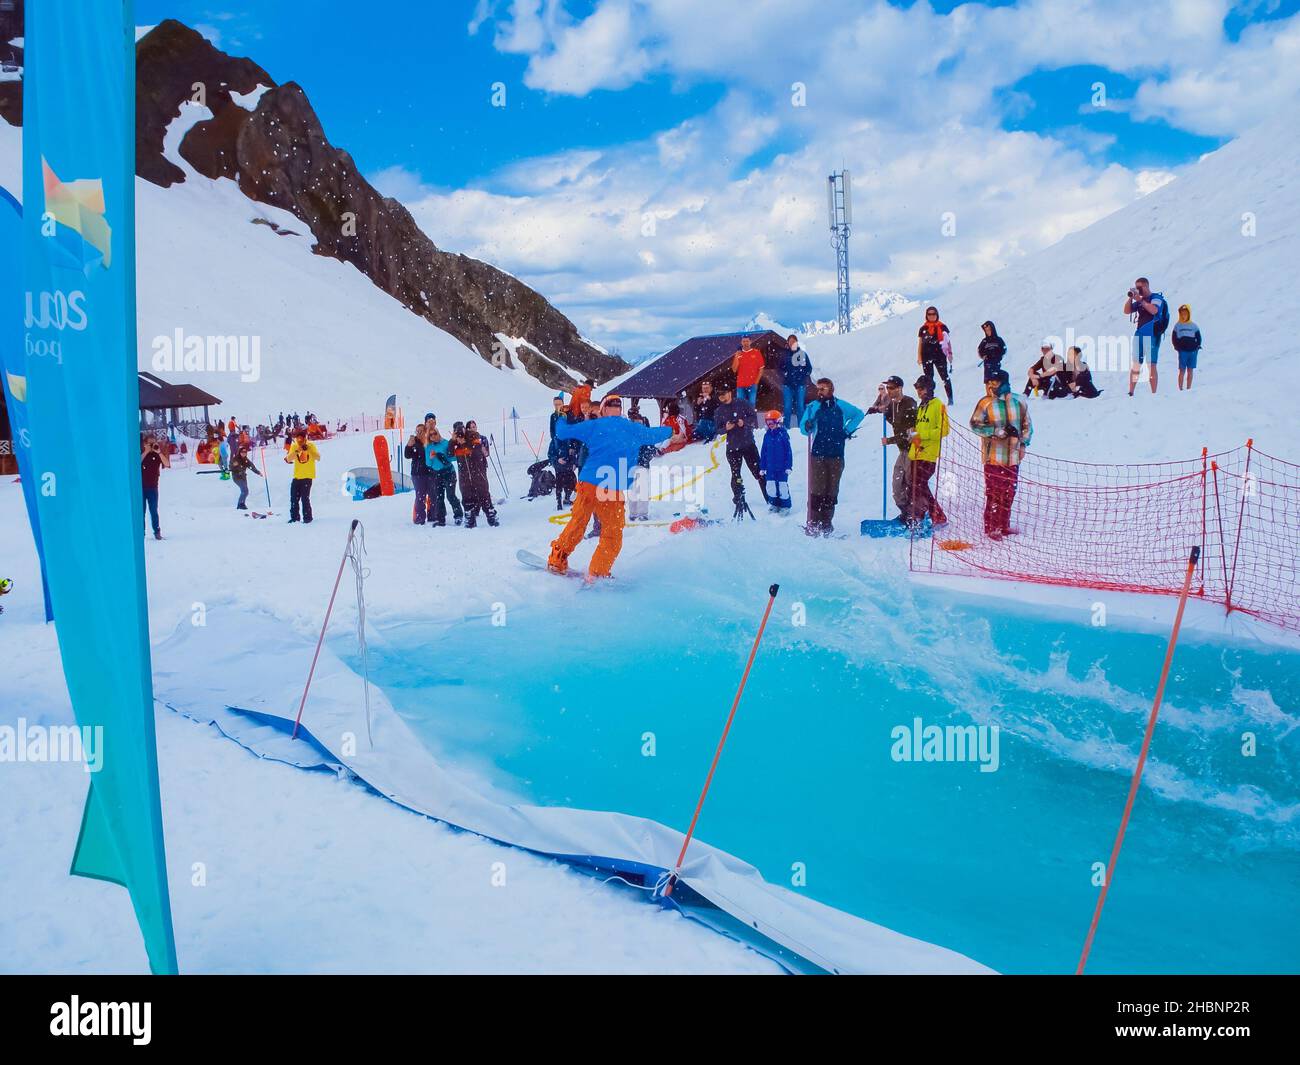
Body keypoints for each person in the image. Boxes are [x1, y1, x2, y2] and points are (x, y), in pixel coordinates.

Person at [546, 394, 680, 580]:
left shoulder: (594, 426)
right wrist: (670, 430)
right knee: (612, 533)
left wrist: (561, 416)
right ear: (620, 409)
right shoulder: (632, 428)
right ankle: (598, 572)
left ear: (603, 409)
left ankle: (557, 559)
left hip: (589, 483)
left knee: (577, 523)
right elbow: (653, 435)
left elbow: (562, 433)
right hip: (612, 487)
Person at [969, 369, 1032, 540]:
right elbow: (975, 424)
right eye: (989, 383)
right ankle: (991, 527)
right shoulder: (985, 403)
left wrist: (1023, 443)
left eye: (994, 383)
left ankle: (1004, 525)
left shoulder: (1019, 401)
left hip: (1013, 457)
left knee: (1009, 492)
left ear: (1004, 383)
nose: (990, 386)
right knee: (994, 493)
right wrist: (996, 431)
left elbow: (1027, 425)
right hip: (993, 457)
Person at [799, 377, 865, 536]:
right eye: (818, 389)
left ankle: (826, 523)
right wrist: (806, 425)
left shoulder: (841, 406)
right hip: (818, 454)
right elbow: (803, 428)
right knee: (817, 489)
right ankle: (813, 523)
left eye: (823, 389)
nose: (819, 392)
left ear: (831, 390)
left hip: (836, 454)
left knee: (831, 490)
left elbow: (858, 414)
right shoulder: (813, 407)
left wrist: (847, 430)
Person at [868, 375, 918, 523]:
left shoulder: (909, 403)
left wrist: (889, 440)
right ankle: (905, 513)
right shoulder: (893, 404)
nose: (888, 391)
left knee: (910, 484)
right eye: (887, 387)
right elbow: (892, 419)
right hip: (902, 450)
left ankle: (915, 515)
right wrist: (877, 410)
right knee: (897, 486)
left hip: (913, 449)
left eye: (891, 388)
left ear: (899, 388)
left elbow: (910, 431)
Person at [712, 384, 764, 517]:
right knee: (736, 474)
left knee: (759, 472)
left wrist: (743, 422)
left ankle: (769, 498)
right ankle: (738, 499)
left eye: (724, 394)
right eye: (720, 395)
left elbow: (753, 417)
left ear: (730, 393)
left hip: (748, 444)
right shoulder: (719, 411)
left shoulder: (742, 403)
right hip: (732, 447)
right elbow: (717, 429)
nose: (722, 397)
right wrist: (726, 428)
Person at [906, 376, 948, 528]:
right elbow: (919, 429)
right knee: (915, 485)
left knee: (920, 484)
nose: (919, 392)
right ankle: (923, 514)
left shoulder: (938, 405)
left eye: (922, 388)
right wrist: (913, 434)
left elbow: (944, 430)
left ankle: (935, 515)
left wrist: (922, 435)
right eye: (917, 389)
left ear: (930, 388)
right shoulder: (921, 406)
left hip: (929, 453)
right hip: (917, 452)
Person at [1124, 276, 1169, 396]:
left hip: (1152, 334)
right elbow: (1127, 311)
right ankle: (1131, 391)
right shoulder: (1139, 300)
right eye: (1136, 287)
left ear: (1146, 286)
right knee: (1136, 363)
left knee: (1151, 364)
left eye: (1139, 287)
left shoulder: (1156, 298)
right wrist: (1131, 298)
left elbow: (1154, 310)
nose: (1138, 290)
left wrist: (1140, 300)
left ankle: (1154, 393)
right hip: (1139, 333)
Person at [424, 420, 463, 526]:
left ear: (438, 433)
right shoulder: (428, 447)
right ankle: (441, 519)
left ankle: (458, 515)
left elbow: (453, 457)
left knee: (450, 496)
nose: (433, 436)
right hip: (437, 474)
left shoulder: (445, 443)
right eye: (430, 435)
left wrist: (444, 457)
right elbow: (428, 464)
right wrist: (432, 458)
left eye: (434, 433)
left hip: (449, 472)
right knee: (438, 497)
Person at [460, 423, 498, 528]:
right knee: (471, 491)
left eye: (474, 426)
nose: (473, 429)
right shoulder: (466, 439)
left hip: (481, 467)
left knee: (483, 489)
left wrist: (479, 446)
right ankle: (475, 511)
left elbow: (485, 453)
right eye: (471, 427)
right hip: (470, 470)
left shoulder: (482, 438)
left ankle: (490, 513)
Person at [917, 306, 954, 404]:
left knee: (945, 377)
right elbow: (920, 343)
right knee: (928, 379)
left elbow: (948, 341)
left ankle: (950, 399)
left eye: (933, 314)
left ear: (937, 315)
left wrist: (950, 354)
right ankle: (929, 398)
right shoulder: (923, 328)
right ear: (926, 315)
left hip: (940, 355)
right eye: (929, 314)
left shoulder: (942, 327)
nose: (931, 316)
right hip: (926, 356)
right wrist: (919, 357)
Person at [759, 410, 793, 513]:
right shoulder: (767, 436)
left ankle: (785, 506)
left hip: (782, 468)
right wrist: (763, 467)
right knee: (771, 487)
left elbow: (788, 452)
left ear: (778, 422)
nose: (770, 425)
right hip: (770, 468)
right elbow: (763, 452)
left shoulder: (783, 435)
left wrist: (788, 466)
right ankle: (774, 504)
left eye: (772, 422)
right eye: (768, 423)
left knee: (782, 487)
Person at [284, 427, 320, 524]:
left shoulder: (311, 445)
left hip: (308, 476)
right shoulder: (294, 446)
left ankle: (308, 517)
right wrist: (298, 450)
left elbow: (318, 457)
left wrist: (309, 450)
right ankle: (295, 517)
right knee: (293, 498)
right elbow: (288, 459)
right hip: (297, 476)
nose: (300, 440)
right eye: (298, 438)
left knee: (305, 498)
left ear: (305, 438)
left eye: (302, 438)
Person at [780, 334, 813, 428]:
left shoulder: (802, 354)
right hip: (787, 385)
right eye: (790, 341)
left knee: (800, 407)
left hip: (800, 385)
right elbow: (780, 368)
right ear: (788, 343)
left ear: (797, 342)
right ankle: (786, 428)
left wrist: (802, 376)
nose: (792, 343)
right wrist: (785, 373)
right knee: (787, 407)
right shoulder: (785, 355)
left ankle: (801, 428)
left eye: (793, 341)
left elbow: (809, 368)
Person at [141, 434, 170, 540]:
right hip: (141, 488)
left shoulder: (157, 454)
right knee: (141, 511)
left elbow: (167, 464)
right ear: (145, 443)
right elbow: (136, 463)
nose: (153, 445)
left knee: (153, 510)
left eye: (154, 443)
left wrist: (159, 452)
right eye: (150, 443)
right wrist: (146, 451)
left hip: (153, 487)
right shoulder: (141, 453)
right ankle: (141, 533)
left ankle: (157, 532)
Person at [405, 422, 433, 524]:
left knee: (432, 495)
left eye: (421, 431)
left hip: (430, 473)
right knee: (420, 496)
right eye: (417, 431)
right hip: (418, 474)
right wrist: (408, 445)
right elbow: (407, 455)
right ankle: (419, 518)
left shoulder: (429, 441)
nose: (419, 433)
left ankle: (432, 515)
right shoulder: (414, 443)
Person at [1171, 304, 1202, 390]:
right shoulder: (1177, 326)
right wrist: (1177, 347)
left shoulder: (1194, 326)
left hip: (1192, 352)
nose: (1184, 315)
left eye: (1185, 313)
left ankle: (1189, 388)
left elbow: (1198, 337)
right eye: (1182, 314)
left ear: (1189, 314)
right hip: (1183, 351)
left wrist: (1197, 346)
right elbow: (1174, 338)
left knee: (1190, 370)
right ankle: (1180, 388)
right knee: (1182, 370)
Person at [730, 335, 765, 407]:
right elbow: (734, 369)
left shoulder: (756, 352)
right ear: (741, 343)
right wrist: (736, 357)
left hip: (752, 384)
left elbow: (761, 369)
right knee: (740, 405)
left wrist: (756, 382)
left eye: (747, 341)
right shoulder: (738, 354)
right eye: (744, 341)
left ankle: (751, 418)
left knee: (751, 405)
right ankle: (741, 418)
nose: (745, 343)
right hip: (740, 385)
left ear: (750, 342)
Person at [230, 445, 263, 511]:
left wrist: (258, 472)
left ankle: (242, 504)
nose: (244, 453)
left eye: (245, 452)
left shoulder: (246, 460)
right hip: (237, 477)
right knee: (244, 491)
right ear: (239, 452)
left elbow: (251, 466)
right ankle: (240, 505)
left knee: (246, 491)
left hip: (243, 477)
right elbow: (234, 466)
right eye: (242, 452)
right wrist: (239, 471)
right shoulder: (235, 459)